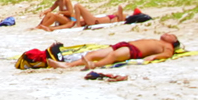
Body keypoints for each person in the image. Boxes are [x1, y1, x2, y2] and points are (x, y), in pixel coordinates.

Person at [47, 34, 180, 70]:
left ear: (173, 41)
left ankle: (95, 65)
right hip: (126, 45)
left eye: (171, 35)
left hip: (134, 50)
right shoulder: (158, 40)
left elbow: (167, 55)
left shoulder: (168, 46)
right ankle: (67, 65)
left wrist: (154, 57)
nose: (167, 34)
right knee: (92, 54)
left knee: (114, 56)